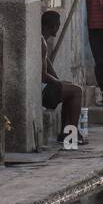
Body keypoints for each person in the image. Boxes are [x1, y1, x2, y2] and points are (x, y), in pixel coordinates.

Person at [40, 10, 86, 149]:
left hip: (45, 87)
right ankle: (72, 134)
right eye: (58, 25)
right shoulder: (41, 42)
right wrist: (58, 83)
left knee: (70, 88)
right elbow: (43, 76)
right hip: (41, 91)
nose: (58, 28)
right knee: (77, 91)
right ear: (53, 26)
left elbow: (48, 65)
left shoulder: (42, 41)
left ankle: (66, 133)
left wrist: (61, 82)